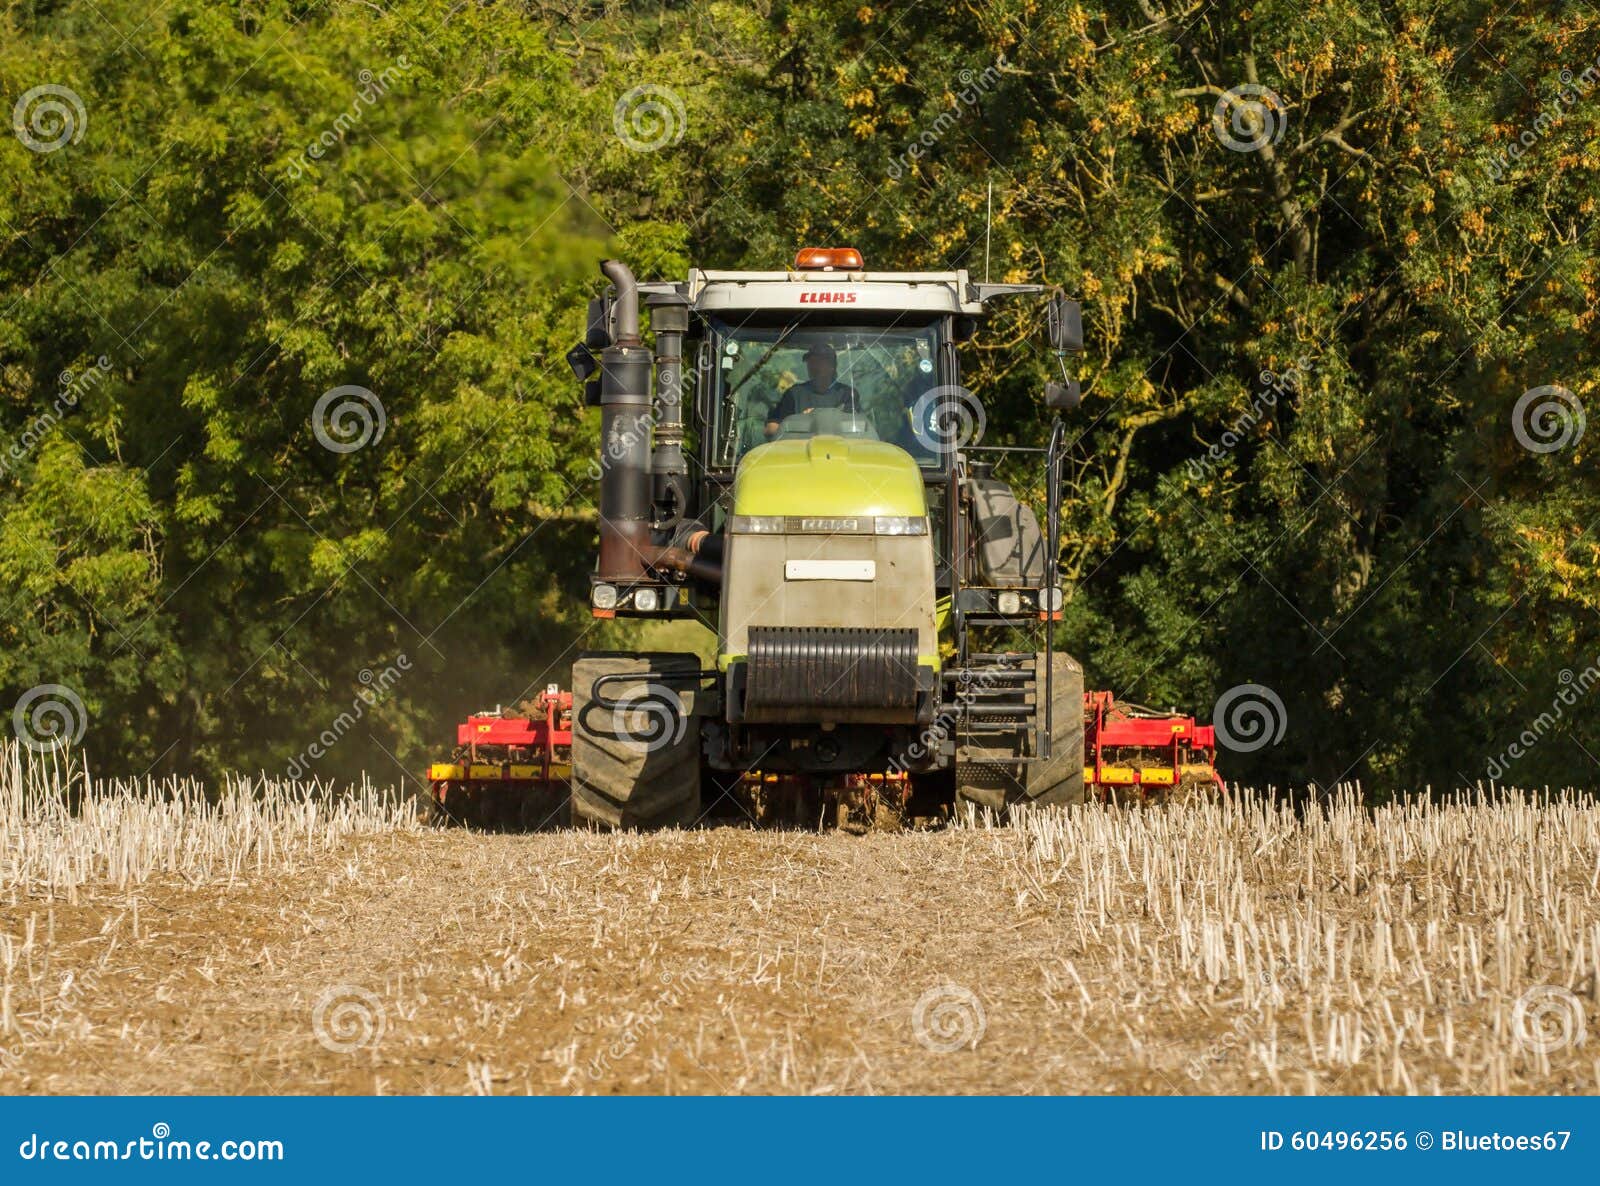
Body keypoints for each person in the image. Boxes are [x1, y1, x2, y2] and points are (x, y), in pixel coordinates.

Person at [764, 343, 859, 438]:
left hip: (841, 451)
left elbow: (859, 429)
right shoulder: (794, 394)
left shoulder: (847, 394)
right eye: (811, 361)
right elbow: (770, 429)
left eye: (819, 362)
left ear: (832, 366)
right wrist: (800, 421)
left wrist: (816, 416)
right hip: (798, 451)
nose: (813, 366)